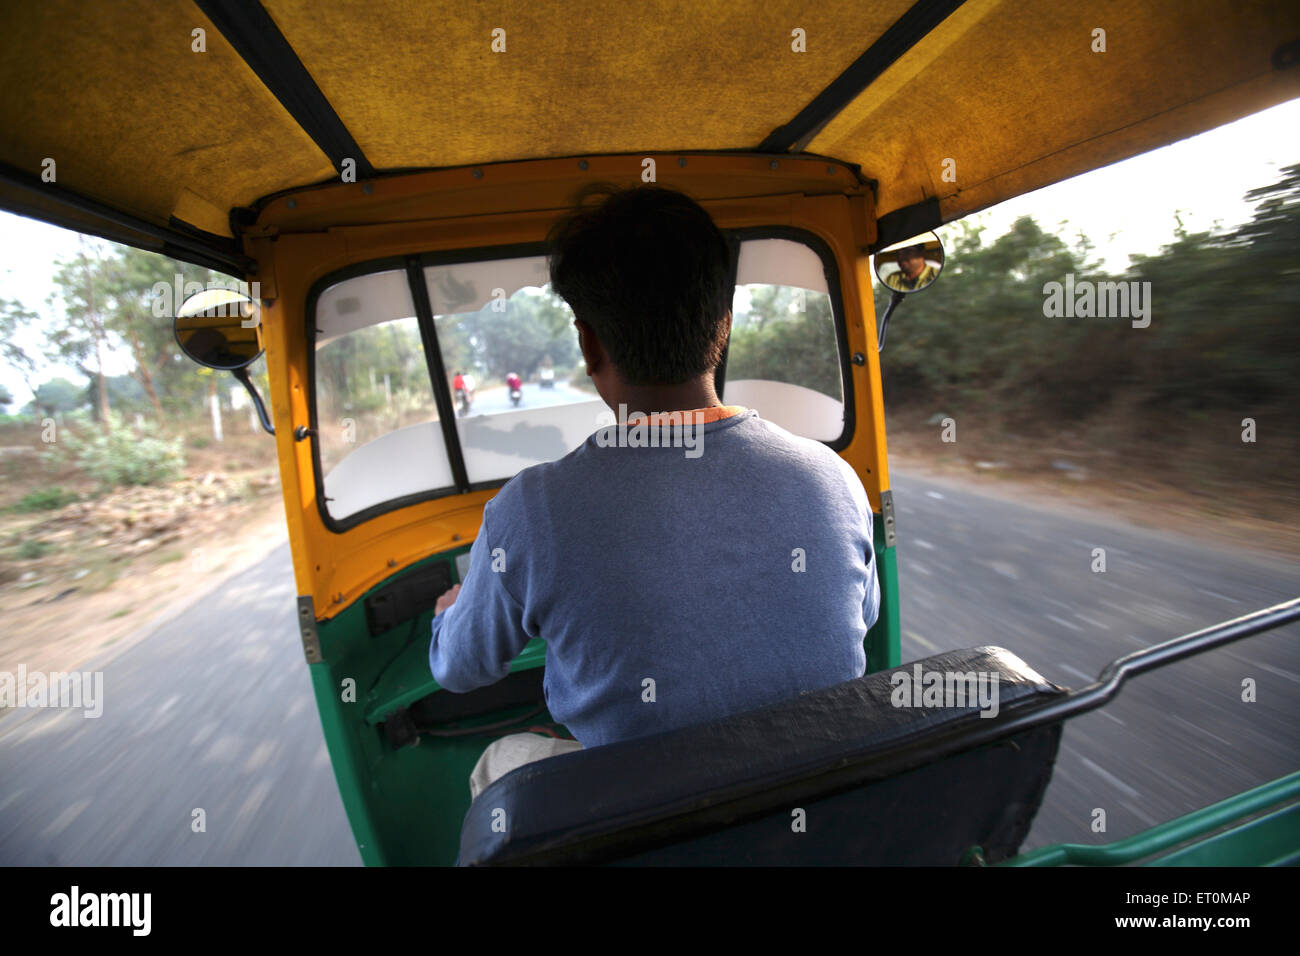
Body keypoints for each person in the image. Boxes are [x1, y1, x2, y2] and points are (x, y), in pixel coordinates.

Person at [429, 185, 880, 800]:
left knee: (503, 760)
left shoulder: (531, 512)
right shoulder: (834, 479)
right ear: (723, 324)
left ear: (590, 345)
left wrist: (448, 616)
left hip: (647, 825)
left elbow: (461, 669)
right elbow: (864, 614)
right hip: (828, 811)